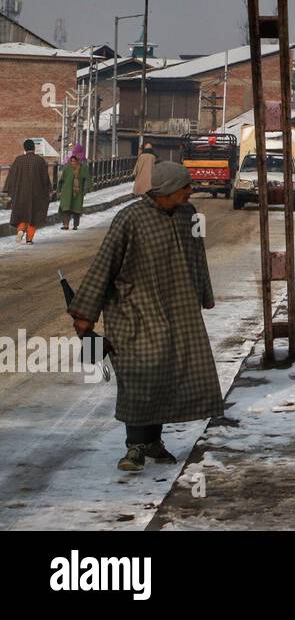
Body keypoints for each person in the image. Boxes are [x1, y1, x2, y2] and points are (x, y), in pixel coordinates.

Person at [67, 162, 223, 473]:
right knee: (140, 376)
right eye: (185, 187)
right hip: (134, 312)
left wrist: (204, 294)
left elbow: (198, 255)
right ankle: (134, 446)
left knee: (166, 375)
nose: (190, 191)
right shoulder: (130, 218)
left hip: (176, 312)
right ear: (166, 190)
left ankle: (153, 441)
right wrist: (85, 314)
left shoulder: (190, 216)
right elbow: (104, 265)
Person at [4, 139, 51, 244]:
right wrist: (47, 191)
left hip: (20, 193)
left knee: (21, 214)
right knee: (33, 216)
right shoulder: (40, 161)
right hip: (36, 193)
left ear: (24, 148)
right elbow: (45, 179)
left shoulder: (18, 160)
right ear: (34, 148)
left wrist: (10, 190)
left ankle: (20, 230)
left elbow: (11, 176)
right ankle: (29, 239)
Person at [59, 144, 91, 230]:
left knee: (69, 207)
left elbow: (61, 176)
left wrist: (59, 189)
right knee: (72, 207)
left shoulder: (72, 164)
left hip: (71, 190)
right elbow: (87, 178)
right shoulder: (82, 163)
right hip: (73, 190)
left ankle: (69, 225)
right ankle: (72, 225)